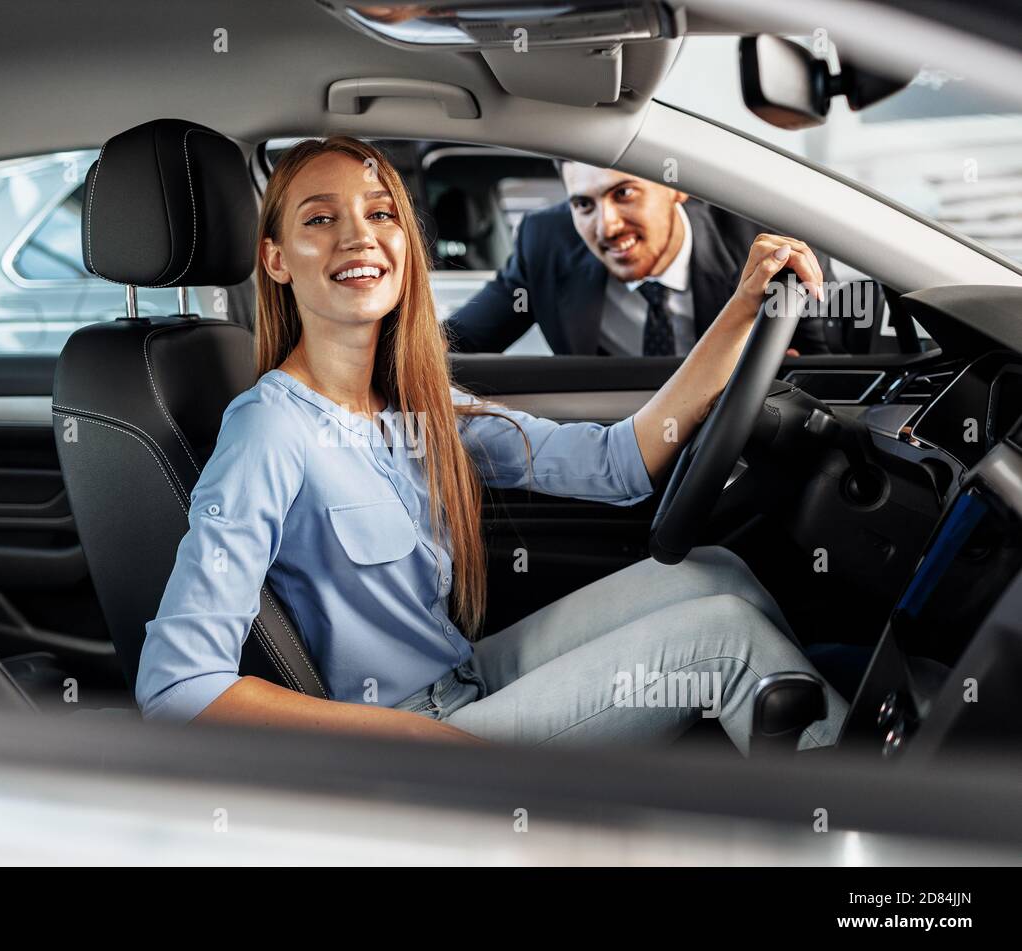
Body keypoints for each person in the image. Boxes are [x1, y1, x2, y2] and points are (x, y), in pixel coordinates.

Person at [135, 136, 846, 754]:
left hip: (465, 678)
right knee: (722, 639)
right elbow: (178, 687)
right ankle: (876, 816)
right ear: (278, 259)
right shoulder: (269, 427)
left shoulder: (418, 404)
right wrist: (422, 742)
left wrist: (744, 307)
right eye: (320, 219)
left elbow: (617, 464)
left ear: (406, 246)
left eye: (381, 214)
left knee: (713, 572)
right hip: (411, 736)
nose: (358, 237)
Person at [444, 161, 833, 356]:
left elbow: (823, 366)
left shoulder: (766, 246)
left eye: (625, 193)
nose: (607, 227)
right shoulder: (546, 241)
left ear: (677, 189)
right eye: (583, 204)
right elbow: (458, 343)